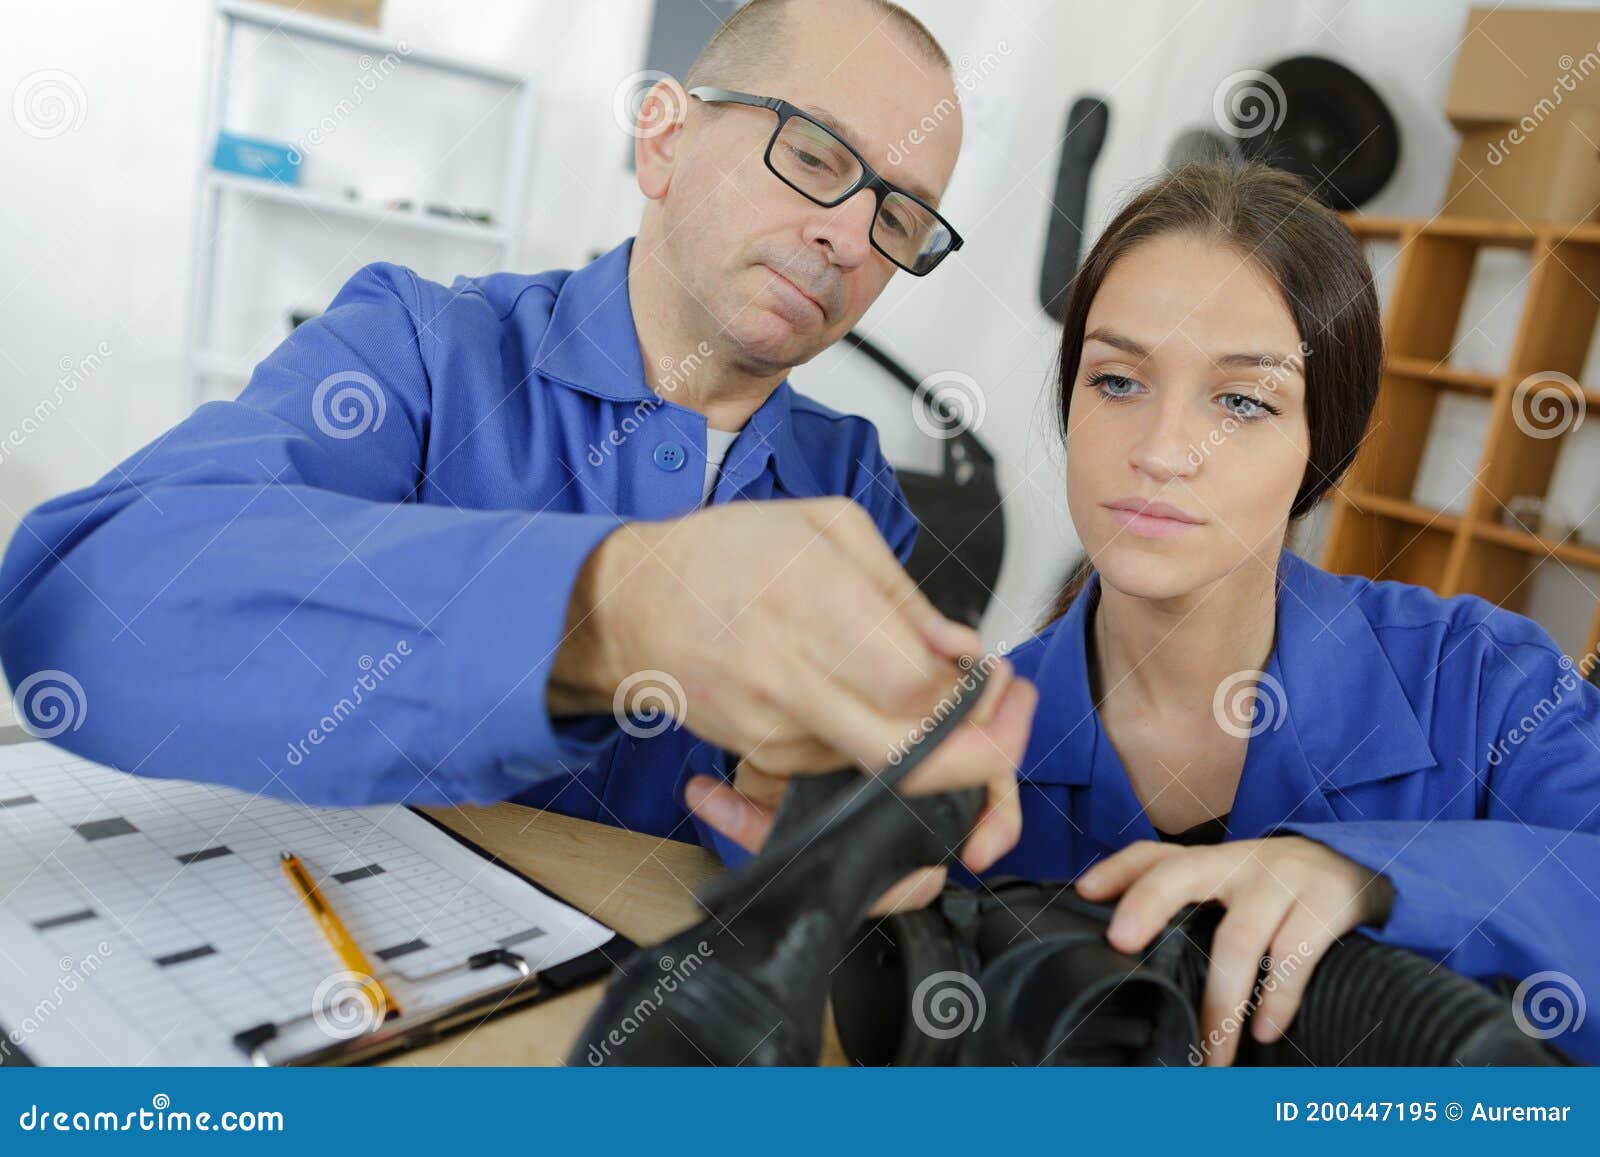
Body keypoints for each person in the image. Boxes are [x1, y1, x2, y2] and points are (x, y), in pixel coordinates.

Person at [0, 0, 1035, 896]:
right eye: (814, 155)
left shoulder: (854, 490)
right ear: (664, 138)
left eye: (900, 218)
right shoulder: (418, 353)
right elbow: (86, 609)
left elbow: (858, 805)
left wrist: (884, 811)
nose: (850, 239)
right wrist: (612, 607)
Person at [690, 161, 1600, 1067]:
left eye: (1243, 401)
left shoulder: (1483, 684)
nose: (1163, 452)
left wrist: (1371, 874)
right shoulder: (952, 747)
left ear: (1322, 446)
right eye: (1118, 381)